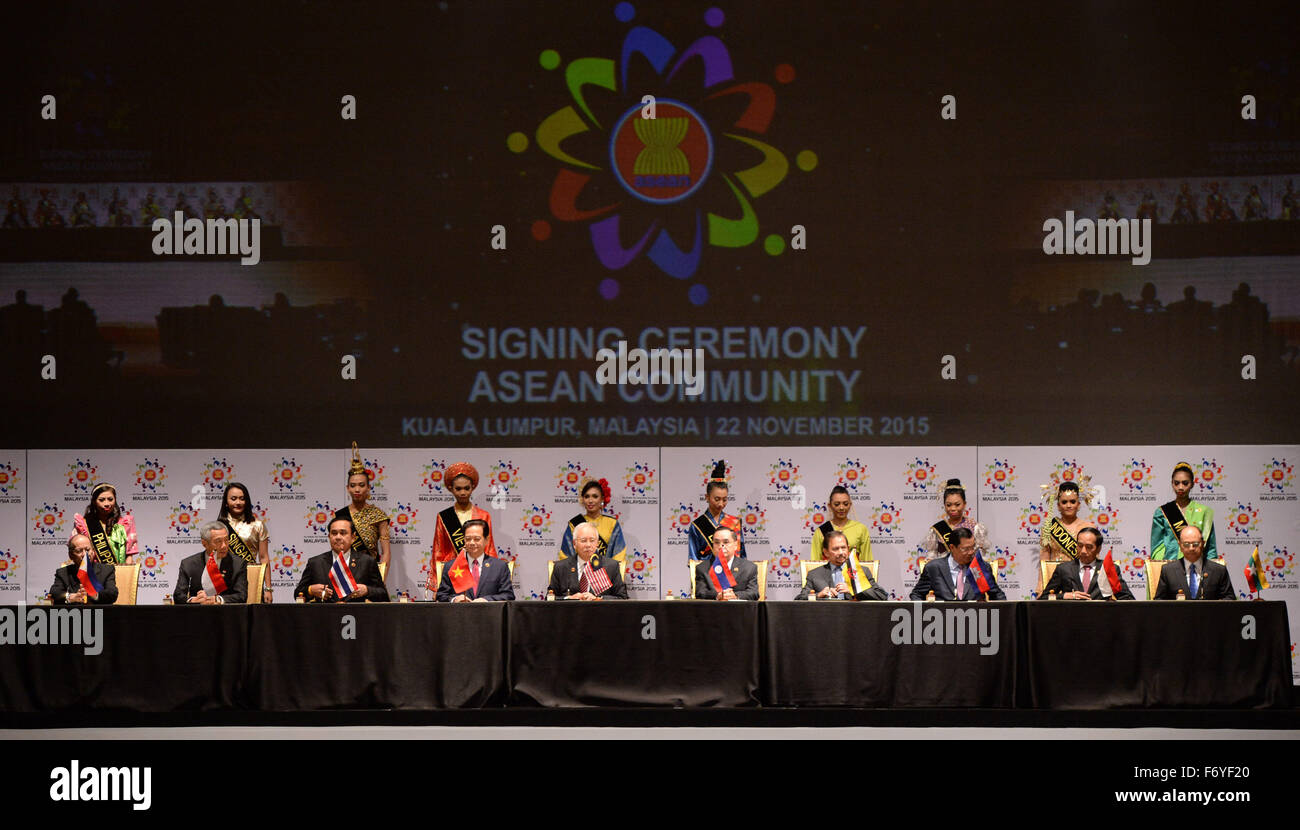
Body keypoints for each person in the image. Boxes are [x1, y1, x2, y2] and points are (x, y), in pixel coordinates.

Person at [295, 517, 389, 602]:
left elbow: (383, 594)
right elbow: (297, 593)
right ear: (329, 537)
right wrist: (310, 590)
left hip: (357, 616)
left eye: (343, 533)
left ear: (353, 537)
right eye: (334, 533)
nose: (338, 537)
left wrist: (367, 590)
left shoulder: (367, 561)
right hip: (324, 616)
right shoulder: (315, 563)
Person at [334, 442, 391, 567]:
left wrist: (380, 581)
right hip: (345, 574)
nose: (357, 490)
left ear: (368, 487)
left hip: (370, 574)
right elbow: (336, 551)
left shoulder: (378, 515)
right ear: (347, 488)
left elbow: (386, 553)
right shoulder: (339, 517)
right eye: (353, 486)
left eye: (361, 485)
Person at [910, 527, 1006, 601]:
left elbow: (997, 595)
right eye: (966, 549)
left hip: (975, 620)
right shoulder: (934, 568)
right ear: (952, 547)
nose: (971, 552)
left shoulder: (980, 567)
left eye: (972, 547)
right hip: (943, 620)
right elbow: (916, 594)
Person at [1038, 527, 1134, 600]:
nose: (1083, 551)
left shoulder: (1108, 568)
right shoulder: (1063, 569)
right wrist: (1065, 595)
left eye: (1089, 547)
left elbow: (1128, 599)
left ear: (1098, 549)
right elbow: (1044, 597)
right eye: (1079, 546)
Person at [1149, 461, 1218, 561]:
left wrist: (1212, 571)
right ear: (1172, 483)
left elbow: (1211, 550)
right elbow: (1157, 548)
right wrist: (1163, 568)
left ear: (1192, 484)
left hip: (1198, 568)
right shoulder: (1162, 512)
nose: (1180, 487)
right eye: (1176, 483)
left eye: (1185, 483)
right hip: (1170, 568)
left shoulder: (1204, 512)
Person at [1036, 480, 1094, 594]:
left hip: (1080, 579)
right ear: (1058, 505)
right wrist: (1041, 587)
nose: (1069, 505)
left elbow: (1093, 558)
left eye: (1073, 501)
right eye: (1064, 502)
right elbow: (1044, 558)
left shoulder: (1089, 527)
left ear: (1079, 504)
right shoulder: (1050, 527)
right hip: (1055, 579)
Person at [217, 481, 272, 603]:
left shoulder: (258, 525)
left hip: (251, 578)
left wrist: (268, 588)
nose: (238, 502)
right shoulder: (218, 526)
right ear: (226, 502)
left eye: (242, 499)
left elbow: (264, 557)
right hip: (225, 579)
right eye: (233, 499)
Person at [432, 461, 496, 562]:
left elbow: (489, 547)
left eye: (467, 488)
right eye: (458, 489)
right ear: (451, 489)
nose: (463, 493)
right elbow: (438, 550)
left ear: (472, 488)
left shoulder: (483, 515)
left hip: (477, 567)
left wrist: (492, 570)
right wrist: (438, 574)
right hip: (452, 569)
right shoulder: (444, 516)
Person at [435, 519, 514, 602]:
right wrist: (454, 599)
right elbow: (441, 595)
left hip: (489, 613)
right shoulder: (451, 566)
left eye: (477, 539)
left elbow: (508, 595)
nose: (472, 543)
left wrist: (486, 600)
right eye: (468, 539)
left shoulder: (499, 566)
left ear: (487, 540)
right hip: (459, 613)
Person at [796, 530, 887, 601]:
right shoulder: (814, 574)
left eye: (843, 548)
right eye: (835, 549)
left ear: (848, 548)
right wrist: (819, 595)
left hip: (855, 617)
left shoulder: (862, 571)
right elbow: (799, 599)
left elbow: (882, 595)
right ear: (826, 552)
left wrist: (854, 590)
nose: (841, 552)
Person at [548, 522, 627, 600]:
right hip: (570, 611)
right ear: (574, 544)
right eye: (583, 541)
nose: (588, 545)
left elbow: (622, 598)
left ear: (597, 544)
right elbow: (549, 599)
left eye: (592, 540)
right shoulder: (561, 567)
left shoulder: (611, 566)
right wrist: (569, 598)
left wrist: (598, 599)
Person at [173, 521, 248, 604]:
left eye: (226, 540)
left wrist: (218, 599)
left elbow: (241, 596)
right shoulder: (188, 564)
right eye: (218, 541)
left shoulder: (238, 564)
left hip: (226, 613)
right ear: (204, 543)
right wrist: (193, 600)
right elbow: (178, 595)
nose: (224, 546)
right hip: (197, 612)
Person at [1153, 526, 1234, 600]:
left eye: (1195, 544)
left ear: (1203, 544)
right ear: (1180, 545)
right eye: (1186, 544)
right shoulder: (1168, 571)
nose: (1191, 548)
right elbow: (1159, 602)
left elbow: (1229, 599)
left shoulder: (1218, 570)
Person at [558, 478, 627, 563]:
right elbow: (565, 555)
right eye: (587, 496)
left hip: (606, 574)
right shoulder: (574, 524)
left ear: (602, 499)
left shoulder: (612, 524)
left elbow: (619, 554)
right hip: (579, 574)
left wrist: (609, 573)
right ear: (583, 500)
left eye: (595, 496)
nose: (590, 500)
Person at [688, 460, 746, 560]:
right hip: (707, 574)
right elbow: (693, 561)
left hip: (732, 574)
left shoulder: (734, 522)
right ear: (707, 497)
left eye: (724, 499)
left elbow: (741, 556)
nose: (721, 504)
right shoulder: (697, 526)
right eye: (717, 499)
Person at [921, 478, 989, 562]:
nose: (953, 508)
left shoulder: (974, 527)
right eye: (949, 505)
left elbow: (980, 556)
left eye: (957, 504)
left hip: (968, 572)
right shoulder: (937, 529)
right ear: (944, 505)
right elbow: (932, 556)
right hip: (943, 573)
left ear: (964, 504)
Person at [72, 483, 139, 565]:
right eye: (101, 500)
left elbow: (129, 555)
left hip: (119, 572)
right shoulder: (84, 525)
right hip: (93, 572)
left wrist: (127, 570)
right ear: (94, 501)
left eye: (110, 499)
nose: (107, 503)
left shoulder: (125, 523)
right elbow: (75, 550)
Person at [694, 526, 759, 601]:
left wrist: (735, 595)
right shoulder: (702, 568)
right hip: (712, 610)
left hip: (739, 610)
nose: (721, 546)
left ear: (735, 545)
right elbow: (700, 593)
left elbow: (754, 593)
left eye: (726, 542)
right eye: (717, 542)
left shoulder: (749, 567)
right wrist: (718, 595)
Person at [809, 485, 872, 561]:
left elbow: (867, 561)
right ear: (830, 506)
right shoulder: (821, 531)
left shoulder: (861, 529)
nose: (841, 508)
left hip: (854, 573)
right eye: (837, 504)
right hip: (828, 573)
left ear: (850, 505)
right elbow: (815, 563)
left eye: (845, 504)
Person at [50, 534, 118, 605]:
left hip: (100, 613)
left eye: (87, 550)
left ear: (93, 551)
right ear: (71, 555)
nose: (84, 554)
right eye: (79, 551)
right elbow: (54, 593)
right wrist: (71, 597)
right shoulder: (63, 572)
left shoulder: (106, 570)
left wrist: (95, 595)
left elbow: (112, 593)